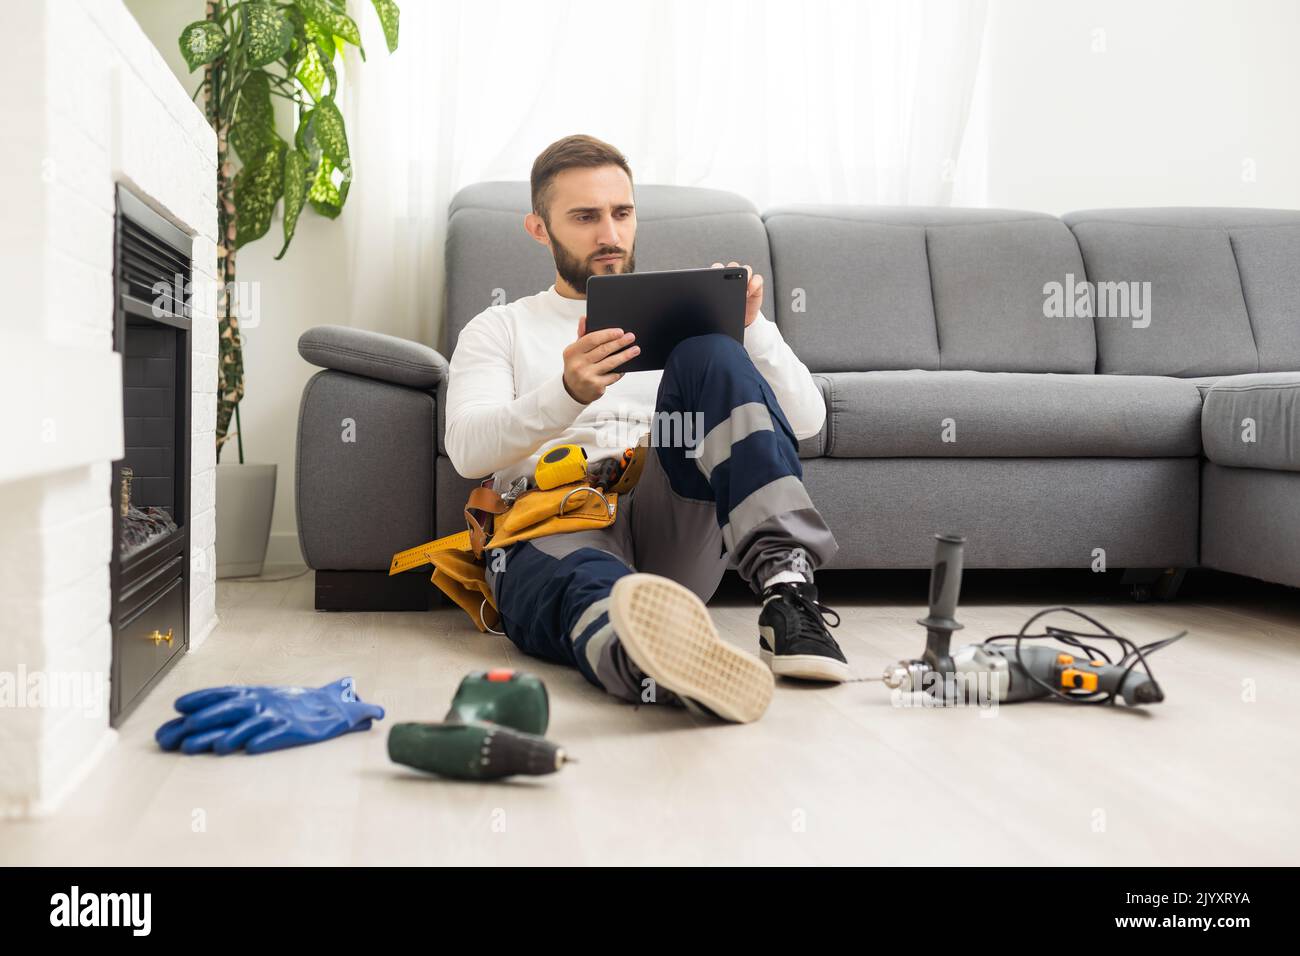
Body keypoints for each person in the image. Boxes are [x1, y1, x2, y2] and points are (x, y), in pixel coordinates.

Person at [444, 134, 848, 723]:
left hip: (671, 518)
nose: (609, 235)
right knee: (587, 585)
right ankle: (653, 661)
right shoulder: (498, 327)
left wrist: (751, 328)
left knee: (709, 351)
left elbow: (808, 423)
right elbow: (466, 451)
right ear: (539, 227)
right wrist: (566, 393)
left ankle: (788, 591)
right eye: (585, 217)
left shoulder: (688, 315)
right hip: (558, 519)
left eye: (622, 213)